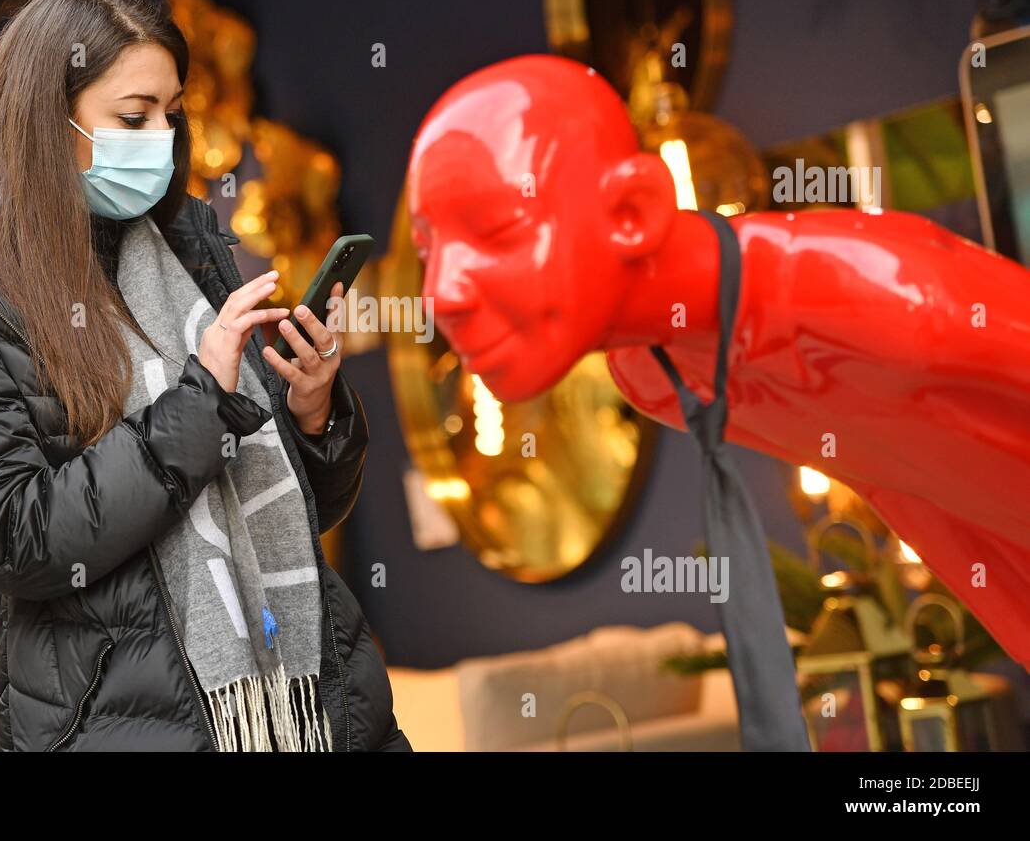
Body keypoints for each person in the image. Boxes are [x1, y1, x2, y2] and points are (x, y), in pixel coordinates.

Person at [0, 0, 411, 752]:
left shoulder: (189, 255)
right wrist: (202, 399)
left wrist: (311, 416)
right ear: (48, 122)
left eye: (170, 113)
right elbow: (14, 539)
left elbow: (287, 516)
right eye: (133, 115)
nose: (159, 138)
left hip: (323, 720)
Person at [406, 53, 1030, 671]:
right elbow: (917, 491)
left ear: (634, 212)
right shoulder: (652, 373)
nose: (440, 293)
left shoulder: (879, 294)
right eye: (427, 251)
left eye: (496, 228)